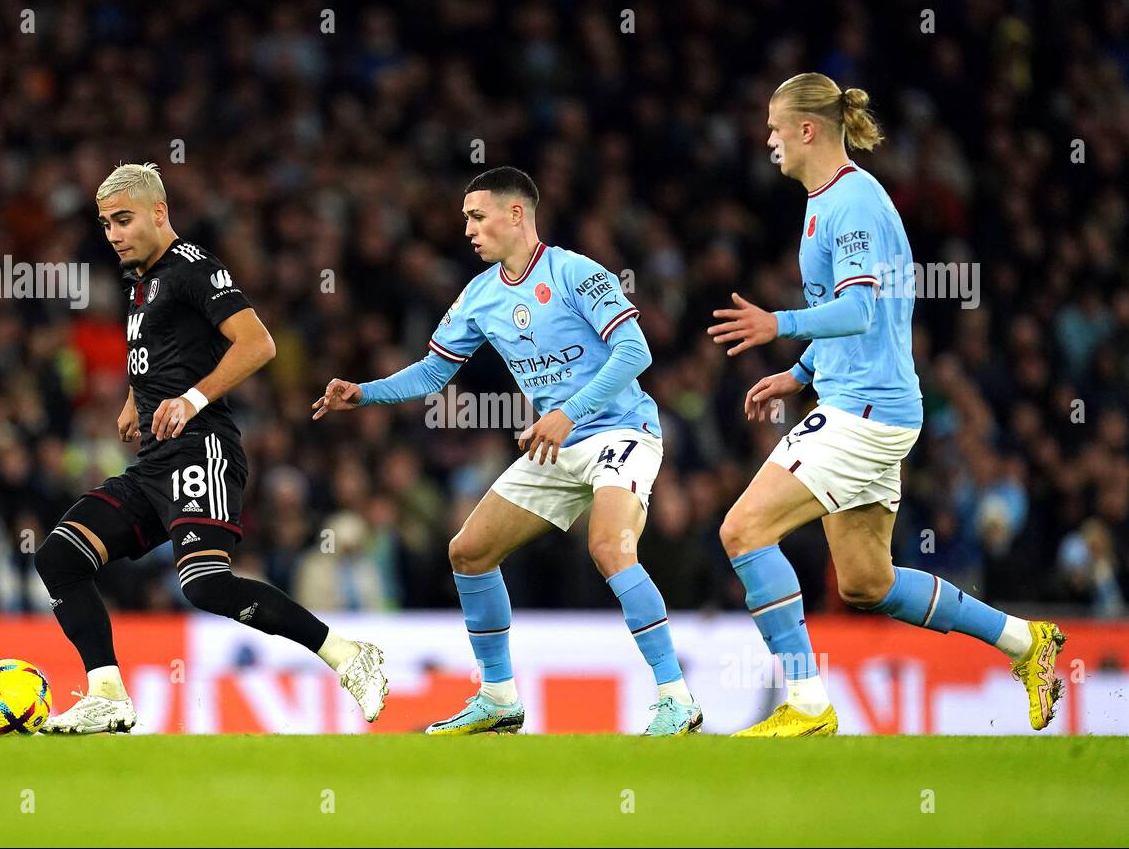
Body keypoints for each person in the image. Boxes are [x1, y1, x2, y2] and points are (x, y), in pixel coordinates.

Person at [707, 74, 1065, 736]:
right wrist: (800, 370)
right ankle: (1025, 641)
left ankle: (807, 704)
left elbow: (860, 307)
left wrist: (779, 323)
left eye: (774, 126)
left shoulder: (854, 204)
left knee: (743, 530)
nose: (767, 139)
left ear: (807, 129)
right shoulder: (828, 202)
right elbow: (871, 321)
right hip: (873, 405)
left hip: (862, 411)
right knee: (867, 582)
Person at [313, 167, 701, 736]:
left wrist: (568, 412)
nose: (467, 228)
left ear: (516, 214)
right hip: (555, 442)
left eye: (476, 215)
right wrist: (364, 393)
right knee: (468, 551)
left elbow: (634, 351)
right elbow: (433, 372)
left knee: (610, 546)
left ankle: (676, 698)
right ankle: (498, 699)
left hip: (620, 432)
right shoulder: (480, 294)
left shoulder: (576, 274)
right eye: (465, 218)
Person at [34, 163, 388, 734]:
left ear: (158, 212)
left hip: (203, 450)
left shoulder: (194, 268)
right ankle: (107, 694)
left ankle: (349, 656)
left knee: (205, 585)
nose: (114, 234)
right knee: (59, 557)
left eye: (123, 220)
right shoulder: (140, 280)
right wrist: (134, 399)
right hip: (155, 460)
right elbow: (162, 351)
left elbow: (258, 344)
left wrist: (192, 399)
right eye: (105, 225)